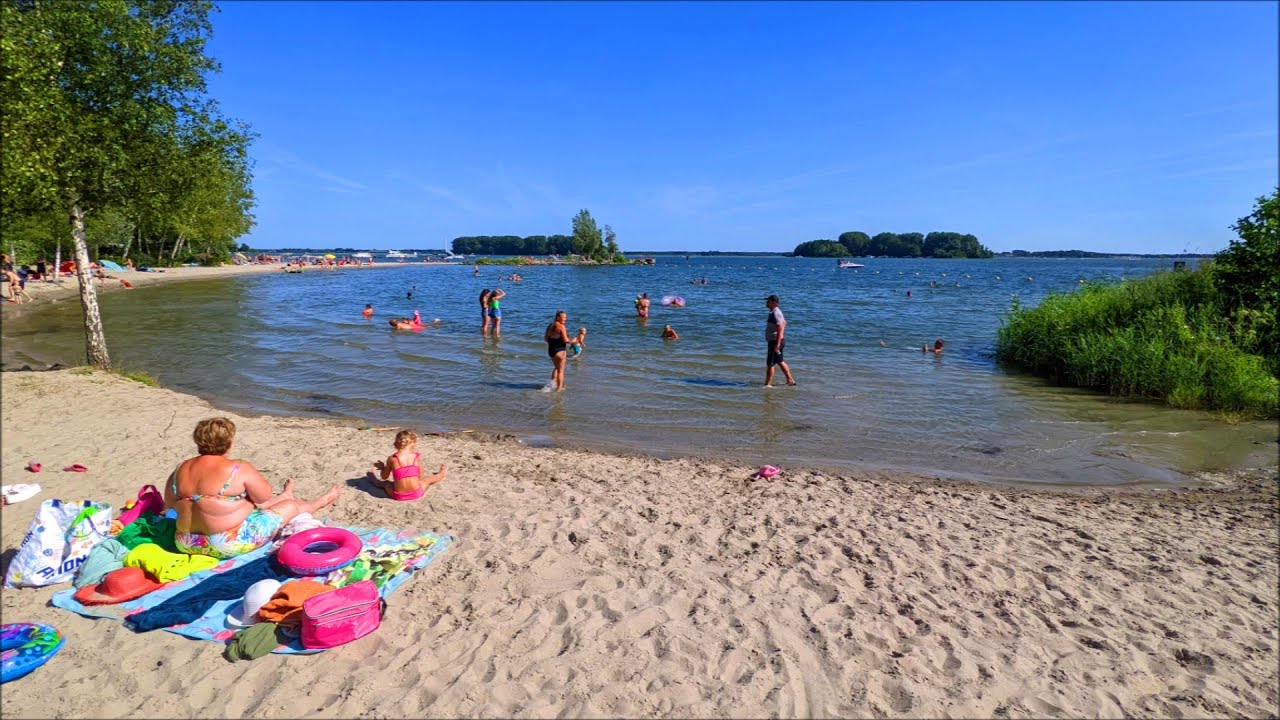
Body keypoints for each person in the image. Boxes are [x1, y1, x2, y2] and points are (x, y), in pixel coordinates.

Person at [166, 417, 341, 559]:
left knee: (239, 502)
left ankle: (285, 495)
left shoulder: (180, 469)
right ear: (229, 443)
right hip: (225, 543)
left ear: (197, 441)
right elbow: (263, 496)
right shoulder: (237, 468)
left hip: (186, 541)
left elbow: (169, 504)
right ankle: (320, 501)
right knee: (290, 507)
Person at [369, 430, 447, 501]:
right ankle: (442, 474)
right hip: (416, 494)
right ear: (412, 443)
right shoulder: (416, 457)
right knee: (427, 480)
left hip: (399, 496)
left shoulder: (392, 459)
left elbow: (384, 477)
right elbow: (419, 477)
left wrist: (382, 468)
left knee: (386, 483)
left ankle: (375, 481)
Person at [763, 294, 796, 387]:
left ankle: (767, 385)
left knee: (770, 363)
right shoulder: (774, 312)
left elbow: (781, 327)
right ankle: (790, 380)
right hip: (776, 341)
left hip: (775, 341)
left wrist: (777, 344)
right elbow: (784, 323)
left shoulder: (776, 313)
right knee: (779, 361)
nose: (766, 302)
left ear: (774, 303)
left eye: (768, 301)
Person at [545, 310, 570, 390]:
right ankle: (559, 389)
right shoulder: (561, 326)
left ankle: (552, 384)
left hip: (551, 350)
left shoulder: (550, 325)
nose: (565, 319)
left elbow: (546, 338)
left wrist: (553, 343)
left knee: (556, 367)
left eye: (566, 317)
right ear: (558, 317)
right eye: (564, 317)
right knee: (561, 371)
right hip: (560, 350)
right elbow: (566, 340)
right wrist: (574, 341)